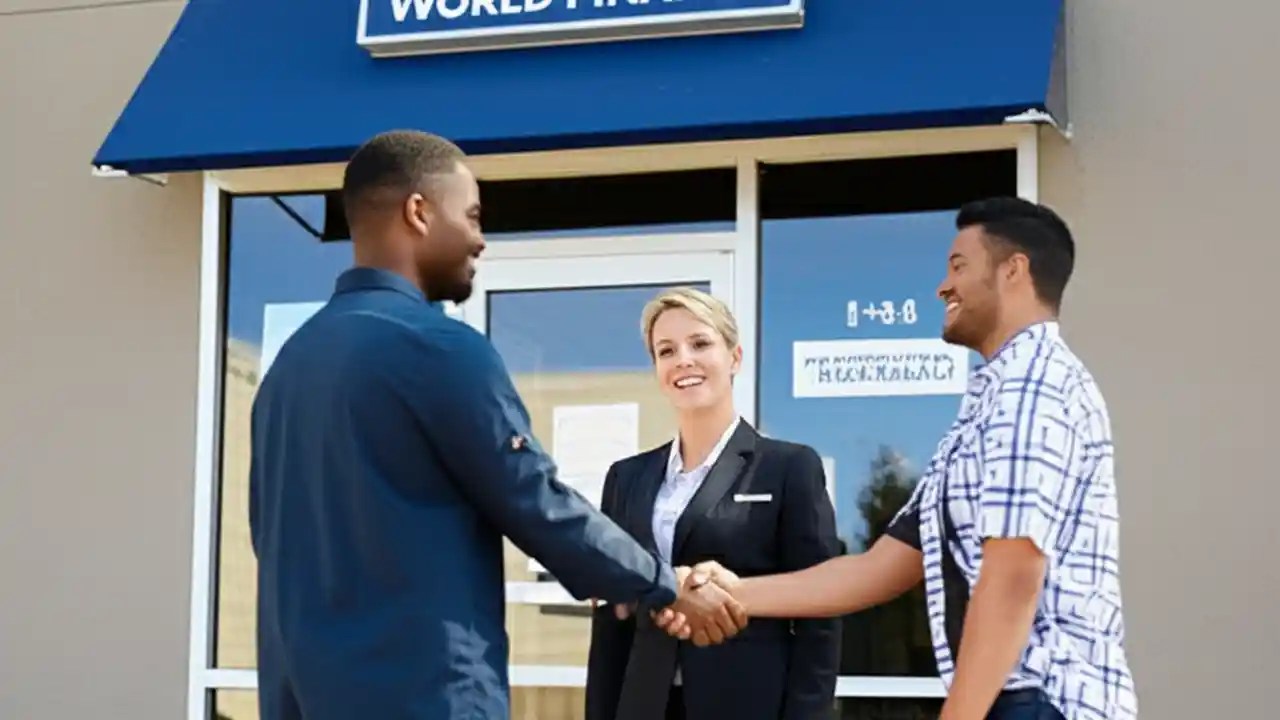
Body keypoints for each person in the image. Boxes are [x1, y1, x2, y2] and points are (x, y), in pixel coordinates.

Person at [247, 130, 746, 720]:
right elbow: (537, 502)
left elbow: (268, 537)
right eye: (473, 216)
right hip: (427, 698)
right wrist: (662, 584)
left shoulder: (286, 369)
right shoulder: (437, 347)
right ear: (419, 212)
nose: (481, 240)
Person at [664, 198, 1139, 720]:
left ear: (1014, 271)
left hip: (1042, 702)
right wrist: (735, 591)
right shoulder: (988, 406)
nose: (943, 286)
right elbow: (880, 568)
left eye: (959, 265)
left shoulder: (1033, 390)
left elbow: (1012, 578)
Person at [586, 287, 841, 720]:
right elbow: (613, 622)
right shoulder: (626, 478)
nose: (683, 359)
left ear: (735, 358)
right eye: (666, 351)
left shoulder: (788, 467)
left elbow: (821, 616)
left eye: (700, 343)